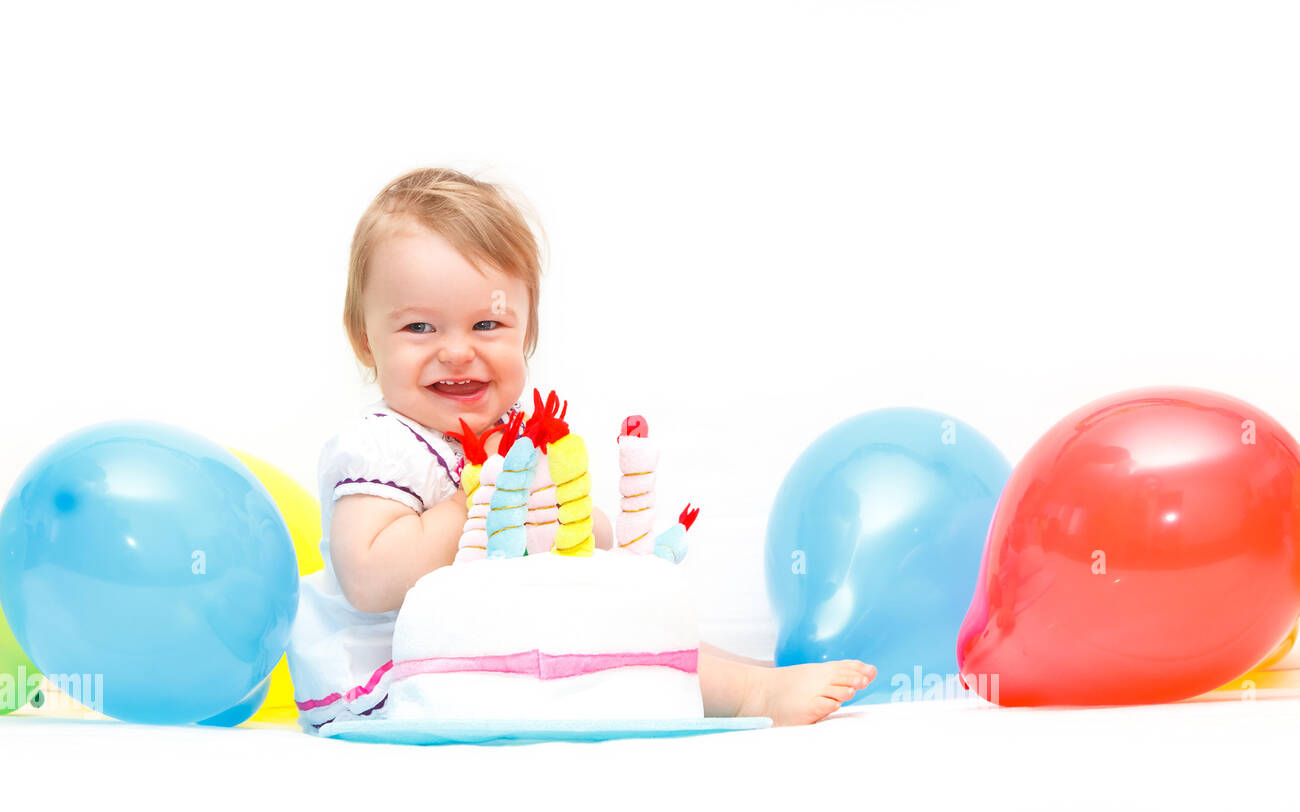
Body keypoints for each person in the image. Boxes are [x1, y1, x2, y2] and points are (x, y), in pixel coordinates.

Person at [287, 168, 876, 733]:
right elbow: (365, 576)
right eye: (420, 328)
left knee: (628, 615)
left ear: (527, 333)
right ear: (365, 340)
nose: (457, 351)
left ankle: (748, 673)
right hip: (401, 668)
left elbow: (556, 535)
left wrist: (581, 530)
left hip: (489, 634)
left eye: (487, 326)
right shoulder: (381, 446)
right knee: (604, 642)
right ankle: (746, 696)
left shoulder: (518, 431)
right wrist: (489, 498)